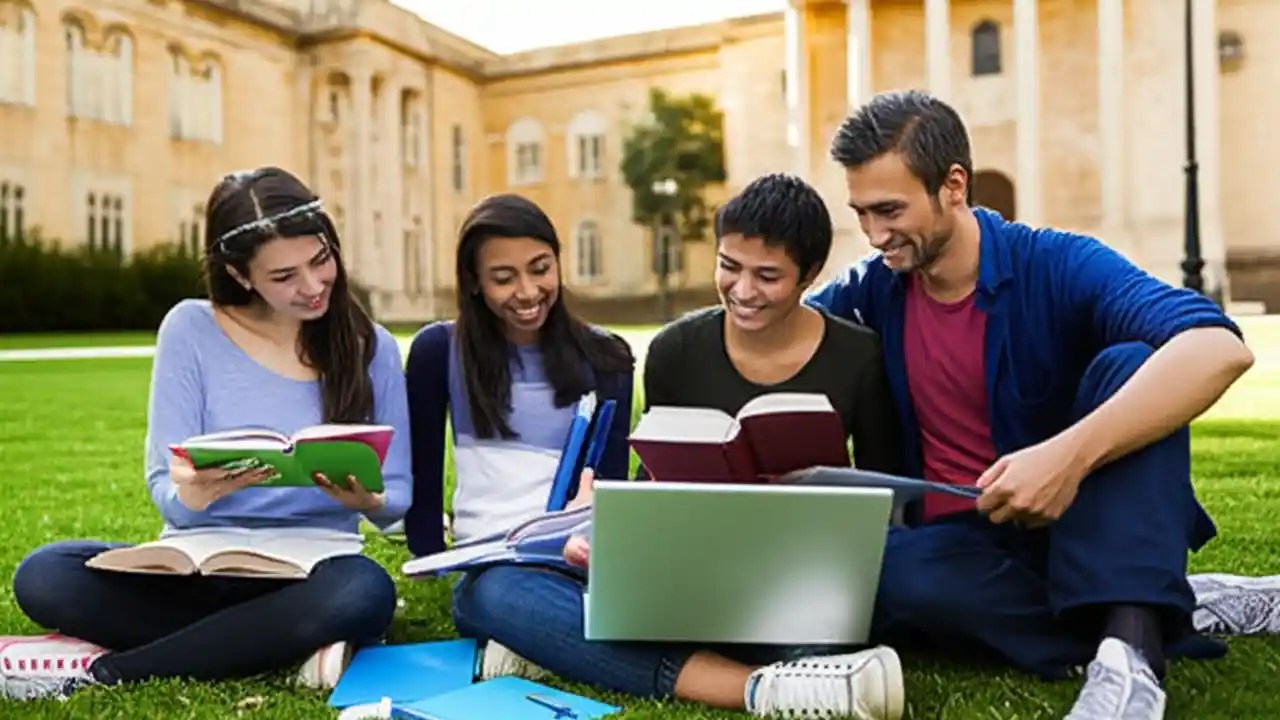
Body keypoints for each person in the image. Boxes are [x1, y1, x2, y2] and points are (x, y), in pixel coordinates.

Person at [804, 89, 1279, 719]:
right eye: (861, 212)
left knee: (1132, 364)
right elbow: (788, 333)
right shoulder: (872, 290)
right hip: (961, 550)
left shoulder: (1056, 262)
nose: (873, 234)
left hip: (1085, 524)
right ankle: (1151, 602)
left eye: (889, 210)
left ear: (953, 185)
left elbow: (1217, 348)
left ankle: (1133, 658)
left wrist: (1065, 459)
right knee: (887, 579)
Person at [450, 175, 908, 720]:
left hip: (796, 580)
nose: (742, 290)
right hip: (688, 578)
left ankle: (560, 649)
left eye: (767, 276)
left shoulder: (858, 356)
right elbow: (653, 486)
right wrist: (603, 536)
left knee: (828, 635)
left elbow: (887, 497)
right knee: (486, 595)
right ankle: (767, 689)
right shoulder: (675, 351)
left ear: (809, 275)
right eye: (728, 266)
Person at [1, 167, 412, 701]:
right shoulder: (190, 328)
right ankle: (278, 647)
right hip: (195, 567)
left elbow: (398, 496)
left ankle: (108, 673)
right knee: (44, 574)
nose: (312, 287)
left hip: (313, 571)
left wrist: (369, 499)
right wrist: (192, 494)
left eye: (320, 261)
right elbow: (166, 491)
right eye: (284, 277)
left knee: (364, 592)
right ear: (242, 276)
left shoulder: (369, 346)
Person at [401, 193, 635, 677]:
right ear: (474, 284)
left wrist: (592, 534)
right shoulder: (438, 351)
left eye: (540, 268)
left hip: (573, 560)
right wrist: (432, 551)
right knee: (495, 596)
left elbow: (610, 491)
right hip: (491, 565)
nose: (528, 292)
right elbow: (421, 474)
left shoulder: (607, 357)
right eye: (504, 279)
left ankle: (539, 645)